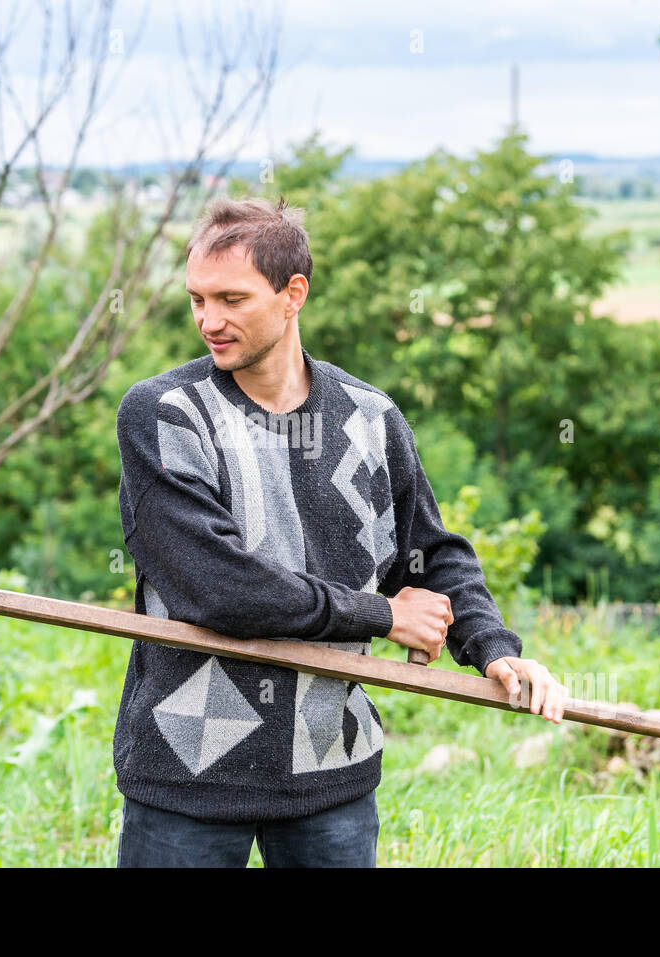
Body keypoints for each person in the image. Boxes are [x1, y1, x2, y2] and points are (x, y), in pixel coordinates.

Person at [112, 194, 566, 868]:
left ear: (293, 292)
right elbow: (219, 588)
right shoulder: (166, 415)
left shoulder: (370, 417)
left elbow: (431, 555)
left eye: (232, 298)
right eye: (197, 299)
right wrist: (381, 614)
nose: (209, 320)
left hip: (330, 769)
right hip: (188, 772)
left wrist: (494, 647)